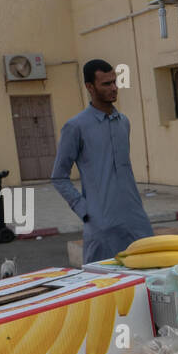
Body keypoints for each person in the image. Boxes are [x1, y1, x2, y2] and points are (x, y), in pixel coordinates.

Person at [51, 59, 153, 263]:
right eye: (106, 84)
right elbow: (59, 176)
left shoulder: (123, 122)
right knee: (101, 281)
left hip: (135, 219)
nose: (114, 88)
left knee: (149, 274)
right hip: (101, 222)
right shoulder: (76, 127)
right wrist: (85, 210)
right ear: (90, 87)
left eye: (115, 82)